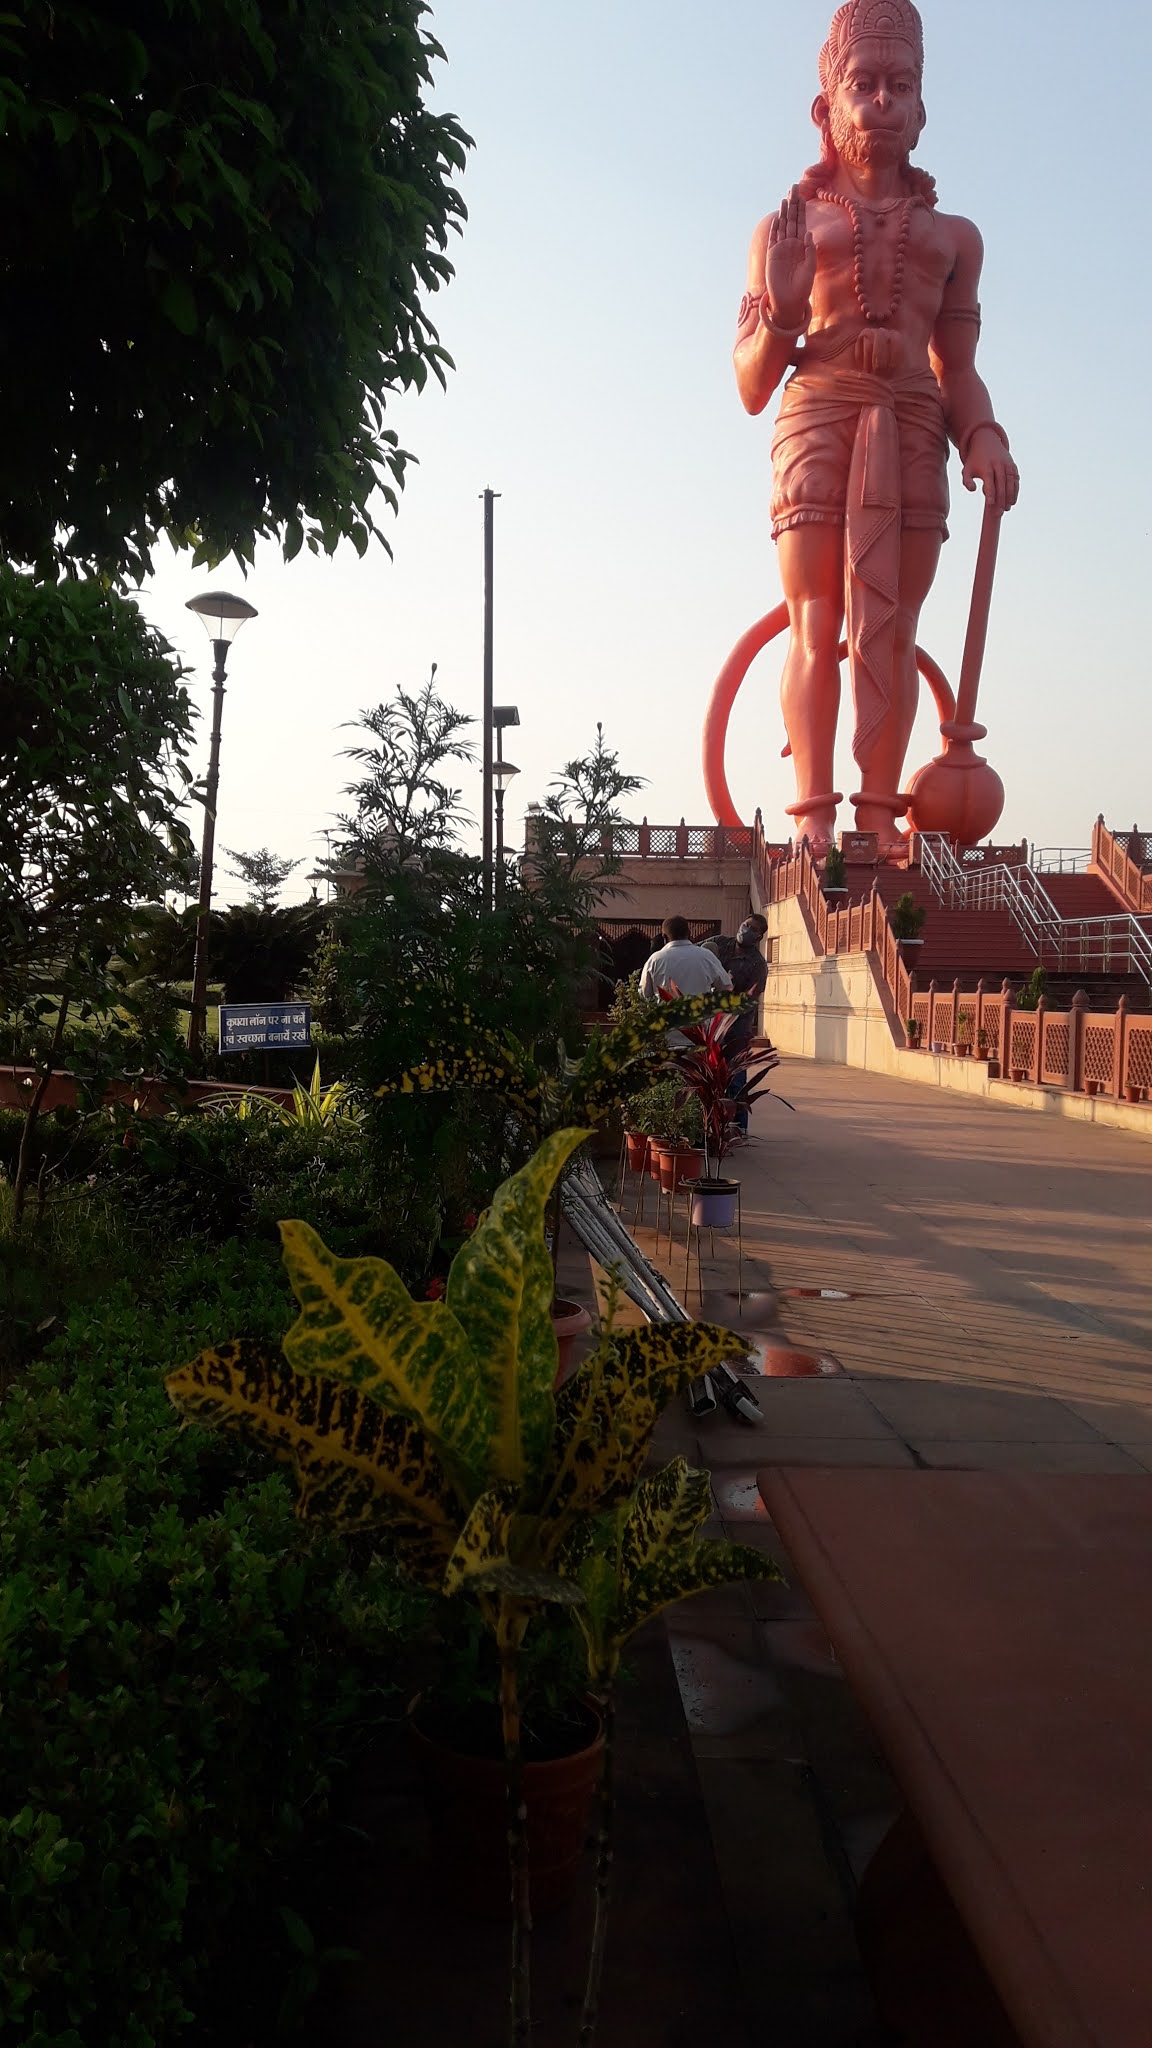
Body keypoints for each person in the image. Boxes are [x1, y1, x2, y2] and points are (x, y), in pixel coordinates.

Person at [733, 0, 1019, 859]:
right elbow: (751, 383)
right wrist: (782, 312)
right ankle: (814, 814)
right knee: (818, 617)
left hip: (914, 424)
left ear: (923, 112)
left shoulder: (956, 238)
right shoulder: (785, 228)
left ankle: (879, 811)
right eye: (865, 84)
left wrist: (984, 435)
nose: (883, 102)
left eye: (902, 86)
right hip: (817, 413)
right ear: (828, 107)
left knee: (893, 629)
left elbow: (956, 368)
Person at [706, 917, 770, 1136]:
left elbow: (752, 998)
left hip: (737, 1027)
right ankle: (711, 1124)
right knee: (708, 1076)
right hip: (711, 1023)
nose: (746, 929)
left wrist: (730, 997)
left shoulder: (757, 964)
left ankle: (738, 1126)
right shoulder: (720, 943)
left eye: (753, 929)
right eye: (746, 924)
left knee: (736, 1077)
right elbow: (700, 955)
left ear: (759, 936)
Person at [640, 915, 732, 1045]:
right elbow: (726, 987)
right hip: (700, 1034)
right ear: (689, 933)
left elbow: (644, 994)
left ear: (664, 937)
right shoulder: (706, 956)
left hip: (667, 1035)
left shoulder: (655, 959)